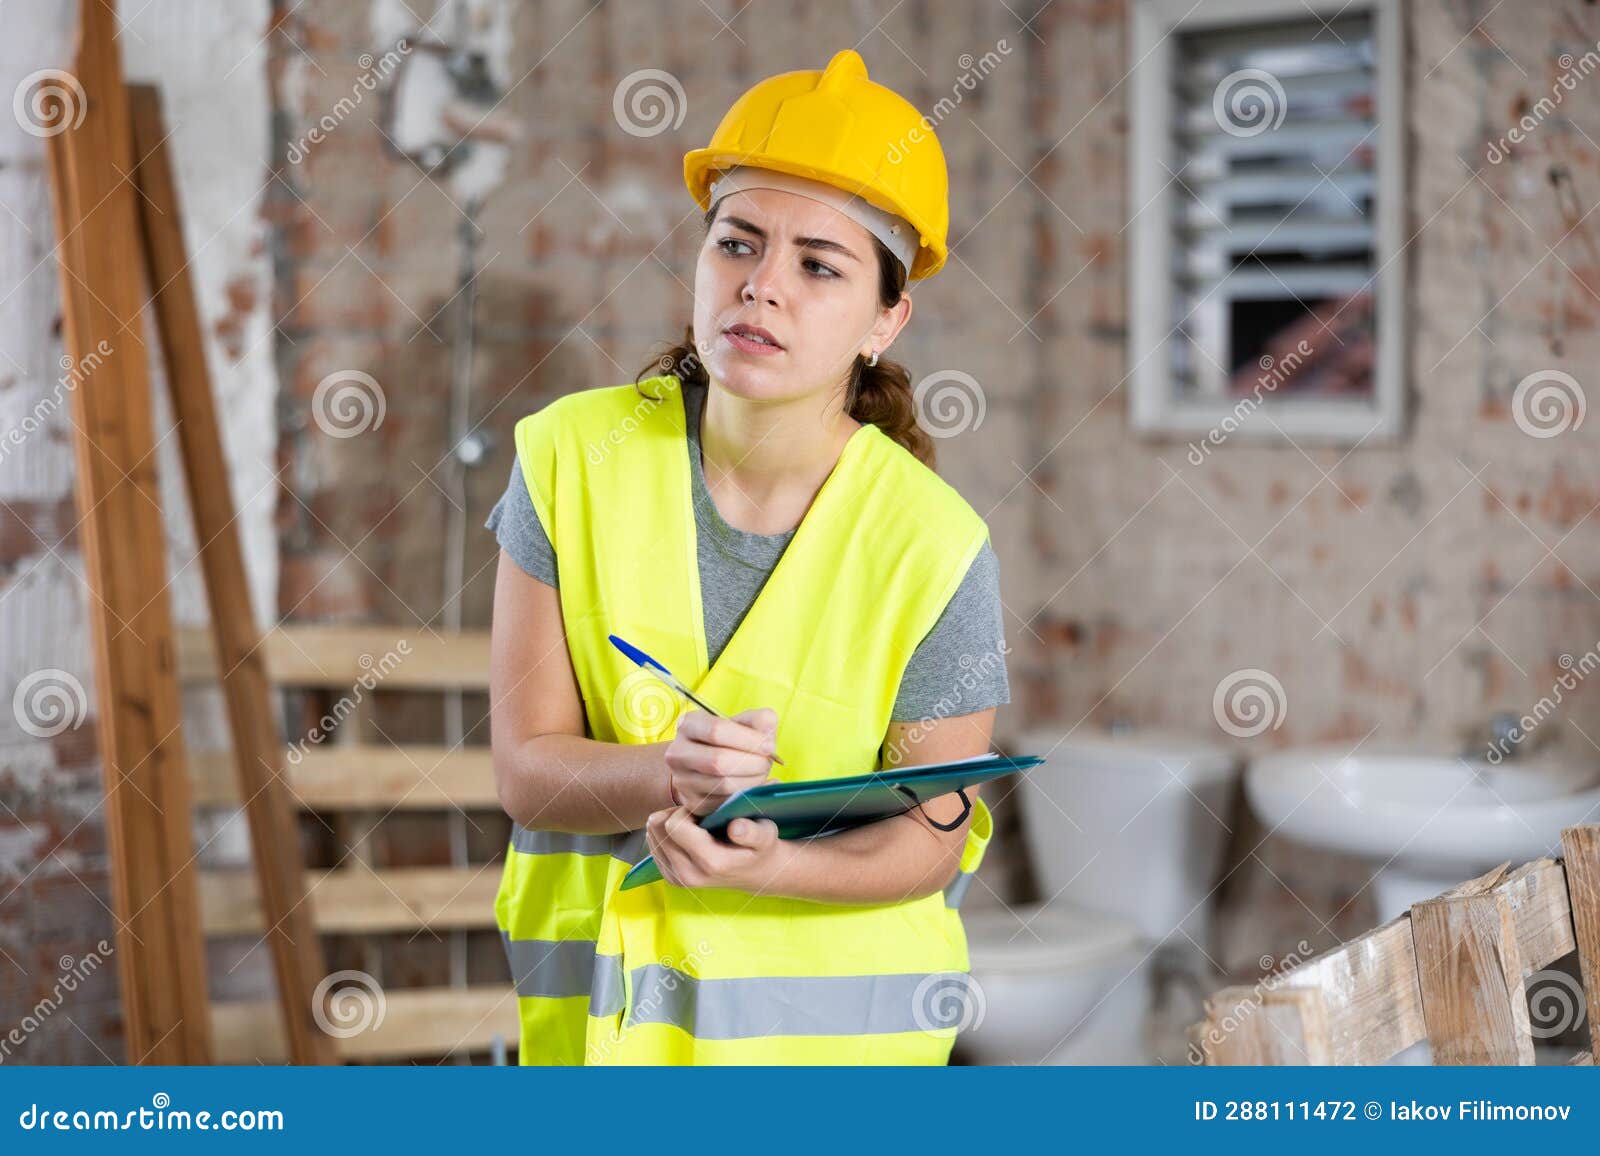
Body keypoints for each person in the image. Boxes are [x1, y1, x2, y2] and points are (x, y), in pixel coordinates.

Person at [486, 49, 1010, 1065]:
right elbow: (526, 767)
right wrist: (662, 774)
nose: (762, 286)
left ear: (885, 319)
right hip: (596, 1049)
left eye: (819, 265)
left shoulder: (934, 545)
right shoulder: (565, 460)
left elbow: (932, 828)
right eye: (737, 243)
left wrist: (772, 872)